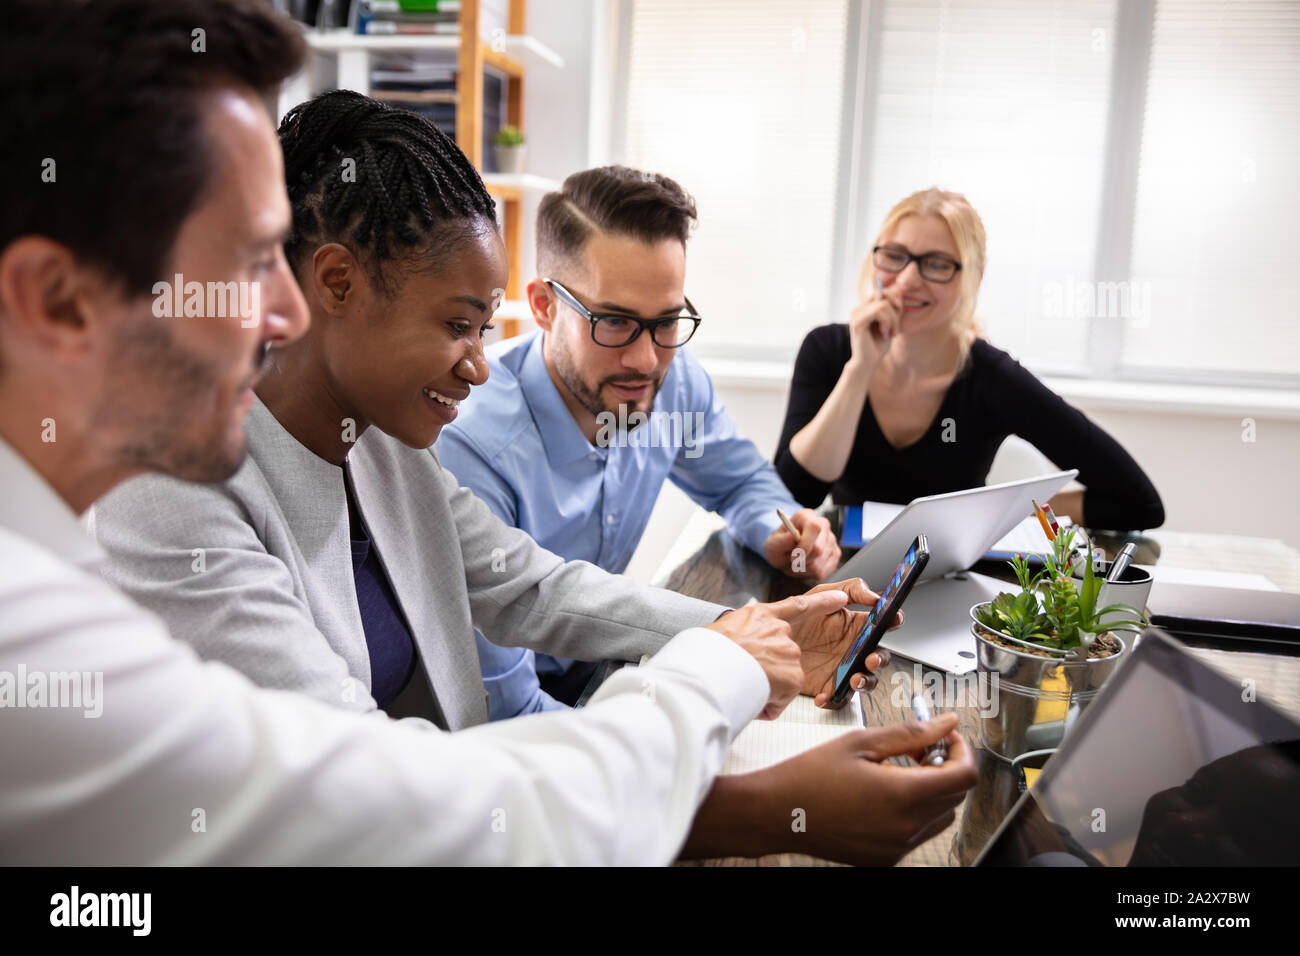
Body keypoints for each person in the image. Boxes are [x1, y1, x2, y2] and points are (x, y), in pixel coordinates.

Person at [0, 0, 882, 866]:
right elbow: (389, 815)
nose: (280, 309)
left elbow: (529, 585)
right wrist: (727, 692)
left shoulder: (377, 440)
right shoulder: (102, 565)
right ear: (54, 300)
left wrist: (744, 630)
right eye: (246, 260)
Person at [437, 166, 843, 715]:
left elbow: (742, 481)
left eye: (667, 321)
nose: (646, 360)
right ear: (543, 306)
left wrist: (778, 529)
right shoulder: (473, 446)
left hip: (605, 663)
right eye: (614, 322)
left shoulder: (672, 382)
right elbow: (503, 716)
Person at [774, 187, 1164, 531]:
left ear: (974, 277)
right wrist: (859, 370)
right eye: (895, 256)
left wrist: (1000, 514)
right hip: (839, 574)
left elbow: (1139, 503)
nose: (907, 280)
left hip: (950, 579)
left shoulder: (993, 378)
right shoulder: (828, 350)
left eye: (937, 264)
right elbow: (792, 495)